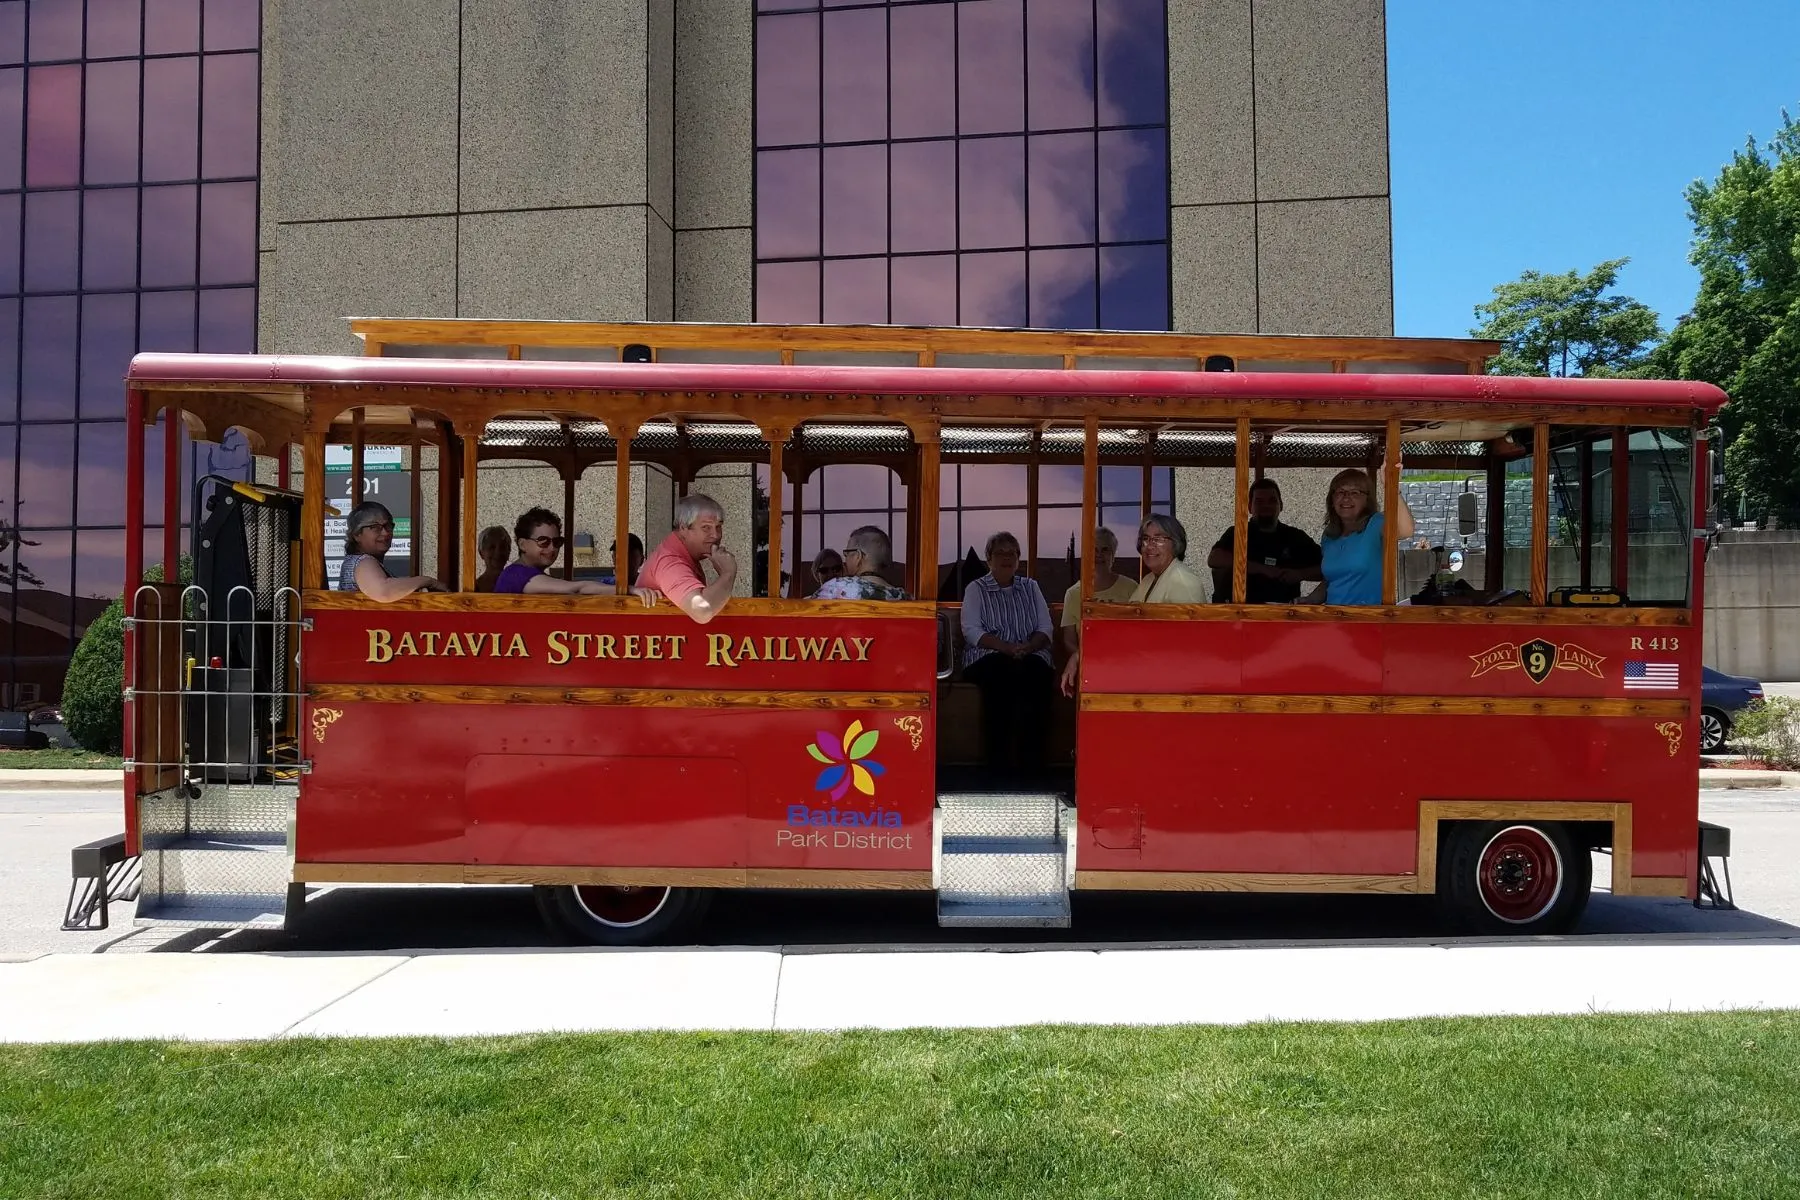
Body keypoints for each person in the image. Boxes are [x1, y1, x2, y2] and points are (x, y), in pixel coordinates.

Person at [1060, 515, 1204, 695]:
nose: (1149, 545)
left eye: (1158, 539)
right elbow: (1122, 627)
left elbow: (1185, 649)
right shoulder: (1149, 580)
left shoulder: (1183, 582)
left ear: (1176, 543)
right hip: (1144, 674)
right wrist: (1079, 655)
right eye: (1145, 539)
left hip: (1168, 686)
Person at [960, 532, 1055, 771]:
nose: (1006, 557)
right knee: (1001, 675)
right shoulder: (976, 588)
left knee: (1038, 675)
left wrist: (1030, 647)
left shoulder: (1031, 587)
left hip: (1029, 653)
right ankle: (998, 767)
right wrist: (1006, 648)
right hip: (988, 655)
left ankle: (1032, 767)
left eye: (1011, 552)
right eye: (1000, 553)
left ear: (1018, 559)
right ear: (988, 559)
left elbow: (1045, 627)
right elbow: (971, 631)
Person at [1300, 465, 1417, 605]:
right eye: (1340, 492)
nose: (1346, 498)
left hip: (1368, 620)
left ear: (1367, 499)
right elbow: (1331, 580)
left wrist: (1391, 486)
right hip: (1334, 619)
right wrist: (1308, 600)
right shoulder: (1329, 534)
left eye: (1354, 492)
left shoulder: (1375, 524)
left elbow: (1406, 530)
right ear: (1331, 500)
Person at [494, 507, 661, 603]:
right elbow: (577, 588)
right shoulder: (516, 575)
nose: (552, 548)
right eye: (543, 541)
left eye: (557, 542)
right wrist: (630, 590)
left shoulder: (529, 574)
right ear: (522, 544)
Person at [1205, 478, 1323, 603]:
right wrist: (1263, 569)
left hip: (1283, 613)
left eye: (1272, 501)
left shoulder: (1296, 537)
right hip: (1240, 611)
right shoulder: (1238, 533)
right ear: (1250, 507)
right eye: (1259, 502)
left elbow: (1327, 569)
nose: (1266, 506)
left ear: (1281, 505)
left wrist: (1300, 574)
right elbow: (1214, 559)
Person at [637, 493, 739, 623]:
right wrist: (728, 573)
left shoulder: (682, 552)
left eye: (718, 526)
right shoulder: (670, 561)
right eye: (706, 527)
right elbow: (702, 611)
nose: (715, 535)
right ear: (683, 528)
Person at [337, 501, 444, 601]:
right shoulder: (363, 561)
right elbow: (383, 592)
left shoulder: (355, 560)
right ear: (356, 534)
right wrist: (428, 581)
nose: (385, 533)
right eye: (375, 527)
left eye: (388, 526)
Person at [1059, 526, 1136, 657]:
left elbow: (1138, 632)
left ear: (1113, 555)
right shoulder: (1073, 594)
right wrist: (1084, 657)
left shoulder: (1131, 588)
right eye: (1094, 550)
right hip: (1089, 662)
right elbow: (1069, 641)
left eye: (1105, 549)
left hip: (1124, 659)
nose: (1099, 554)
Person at [813, 526, 909, 600]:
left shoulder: (835, 588)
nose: (845, 559)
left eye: (847, 553)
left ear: (858, 556)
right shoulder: (903, 597)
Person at [473, 526, 510, 593]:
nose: (498, 552)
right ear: (481, 553)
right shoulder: (474, 588)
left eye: (503, 547)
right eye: (491, 547)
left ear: (509, 551)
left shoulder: (517, 585)